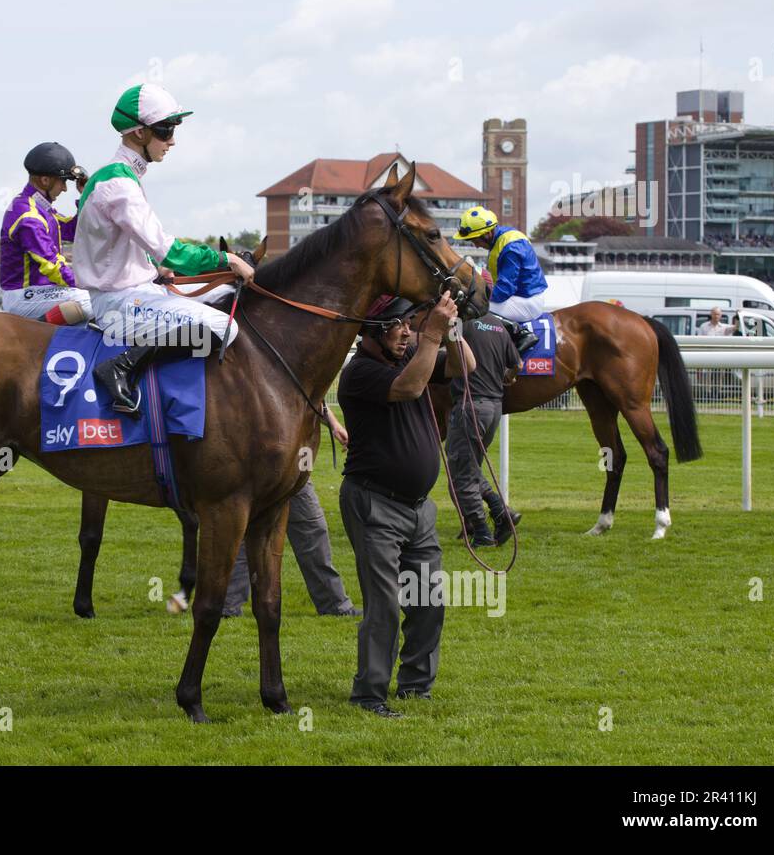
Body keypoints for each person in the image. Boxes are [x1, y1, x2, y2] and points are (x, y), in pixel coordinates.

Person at [74, 83, 254, 416]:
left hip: (132, 291)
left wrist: (154, 268)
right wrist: (225, 258)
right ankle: (121, 367)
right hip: (118, 304)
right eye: (165, 130)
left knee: (221, 298)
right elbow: (171, 252)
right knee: (224, 327)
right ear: (139, 132)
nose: (172, 139)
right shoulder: (119, 186)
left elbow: (125, 244)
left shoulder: (116, 177)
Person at [337, 293, 475, 718]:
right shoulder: (359, 371)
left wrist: (449, 327)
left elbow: (465, 365)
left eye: (409, 325)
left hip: (418, 509)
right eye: (397, 327)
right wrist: (431, 333)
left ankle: (415, 686)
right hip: (374, 504)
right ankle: (369, 695)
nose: (406, 333)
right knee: (384, 606)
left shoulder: (410, 355)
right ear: (373, 334)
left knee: (429, 602)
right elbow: (411, 387)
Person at [223, 403, 359, 618]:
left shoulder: (293, 375)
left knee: (313, 532)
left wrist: (333, 424)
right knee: (247, 533)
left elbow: (312, 398)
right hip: (263, 465)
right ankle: (227, 605)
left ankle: (334, 605)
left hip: (295, 466)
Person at [444, 305, 521, 547]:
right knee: (469, 468)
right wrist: (506, 377)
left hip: (470, 407)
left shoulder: (461, 323)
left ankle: (483, 533)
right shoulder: (498, 324)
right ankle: (500, 512)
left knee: (461, 476)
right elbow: (516, 365)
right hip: (494, 408)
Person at [0, 142, 93, 324]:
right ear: (45, 180)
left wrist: (86, 195)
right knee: (91, 300)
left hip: (41, 292)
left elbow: (73, 230)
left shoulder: (40, 209)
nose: (65, 188)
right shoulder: (28, 215)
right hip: (22, 295)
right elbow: (52, 265)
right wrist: (86, 284)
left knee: (93, 298)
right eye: (63, 181)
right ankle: (36, 329)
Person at [453, 206, 546, 354]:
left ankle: (521, 334)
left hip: (527, 301)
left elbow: (504, 290)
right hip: (517, 297)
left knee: (474, 307)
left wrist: (477, 297)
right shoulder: (499, 240)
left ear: (488, 233)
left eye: (475, 240)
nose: (475, 245)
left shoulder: (511, 248)